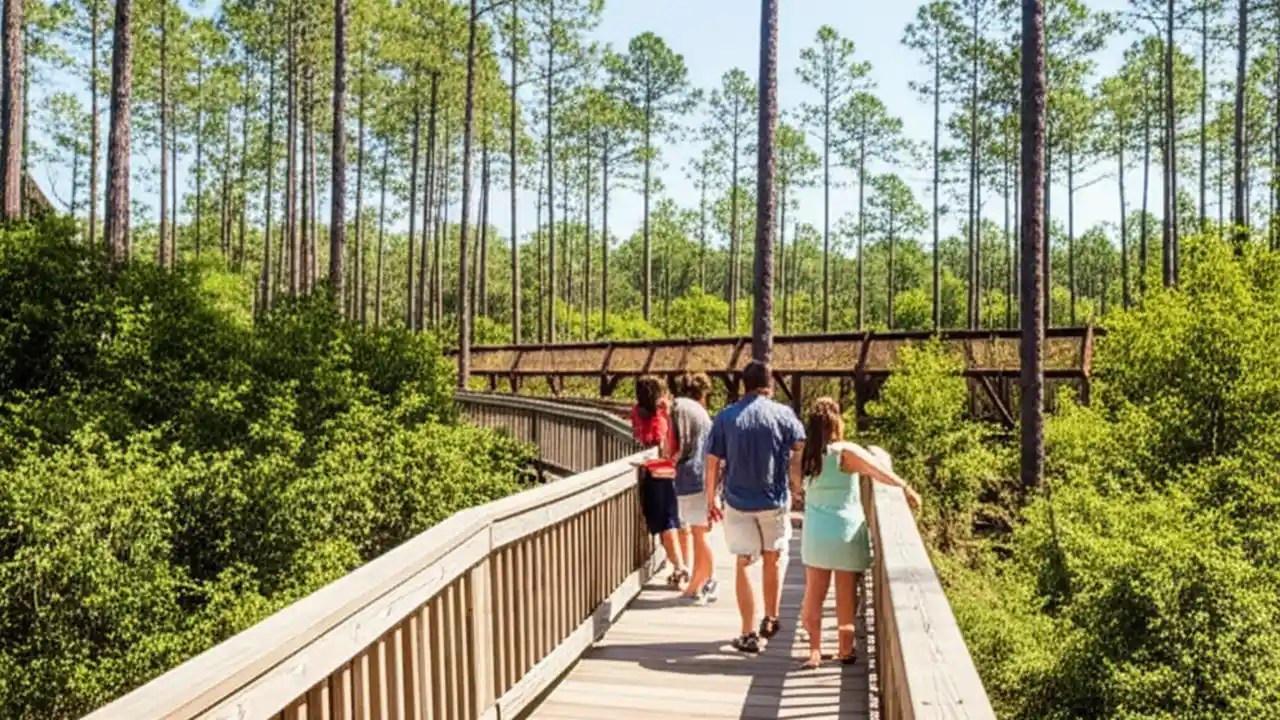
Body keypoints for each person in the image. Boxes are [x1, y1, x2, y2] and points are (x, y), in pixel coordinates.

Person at [796, 397, 920, 670]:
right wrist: (906, 487)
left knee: (814, 594)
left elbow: (796, 488)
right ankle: (845, 649)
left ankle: (814, 652)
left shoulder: (805, 454)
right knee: (846, 594)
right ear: (837, 422)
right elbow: (879, 471)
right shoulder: (846, 452)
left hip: (816, 533)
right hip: (846, 530)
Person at [704, 360, 805, 653]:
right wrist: (795, 483)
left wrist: (710, 498)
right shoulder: (782, 414)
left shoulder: (725, 417)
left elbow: (712, 461)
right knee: (773, 557)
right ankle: (771, 618)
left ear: (743, 385)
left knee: (744, 561)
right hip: (772, 499)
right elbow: (800, 444)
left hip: (736, 500)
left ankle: (748, 633)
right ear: (769, 384)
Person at [630, 375, 689, 588]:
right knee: (672, 520)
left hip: (652, 474)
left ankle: (680, 567)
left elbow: (641, 436)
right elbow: (665, 443)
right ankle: (681, 567)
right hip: (669, 472)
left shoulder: (639, 412)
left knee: (664, 522)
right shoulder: (663, 411)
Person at [670, 372, 718, 603]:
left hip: (689, 475)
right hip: (703, 477)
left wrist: (671, 460)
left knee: (699, 533)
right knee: (700, 532)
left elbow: (681, 441)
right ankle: (695, 584)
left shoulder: (680, 407)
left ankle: (709, 579)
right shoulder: (702, 413)